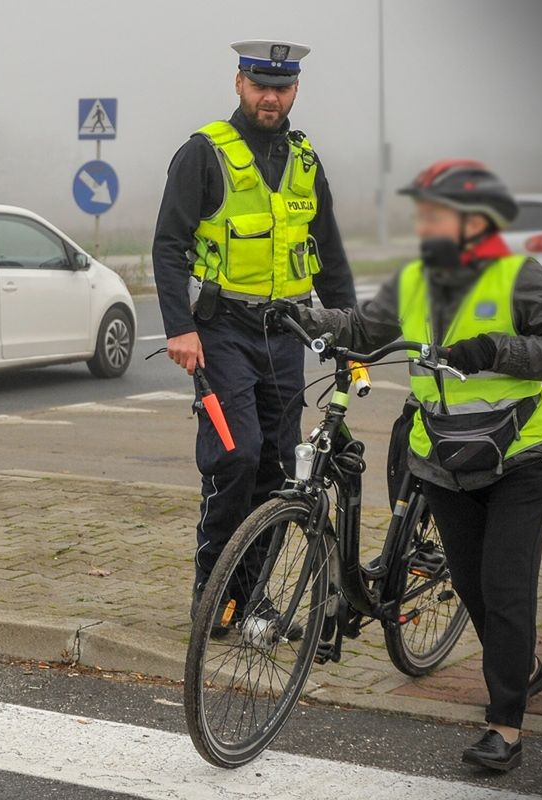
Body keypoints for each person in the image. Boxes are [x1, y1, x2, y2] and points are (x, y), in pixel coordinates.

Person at [281, 159, 542, 771]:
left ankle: (505, 729)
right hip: (444, 459)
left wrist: (493, 350)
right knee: (472, 587)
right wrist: (300, 315)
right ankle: (521, 664)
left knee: (503, 589)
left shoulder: (517, 276)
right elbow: (362, 328)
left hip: (521, 457)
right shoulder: (414, 280)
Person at [152, 40, 356, 618]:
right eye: (260, 85)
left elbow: (331, 256)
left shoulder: (305, 160)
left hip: (286, 335)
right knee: (236, 457)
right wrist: (179, 328)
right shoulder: (202, 154)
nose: (271, 97)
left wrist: (351, 332)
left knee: (280, 469)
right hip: (222, 332)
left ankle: (251, 596)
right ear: (239, 84)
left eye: (282, 88)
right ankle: (211, 594)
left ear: (295, 91)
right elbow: (168, 247)